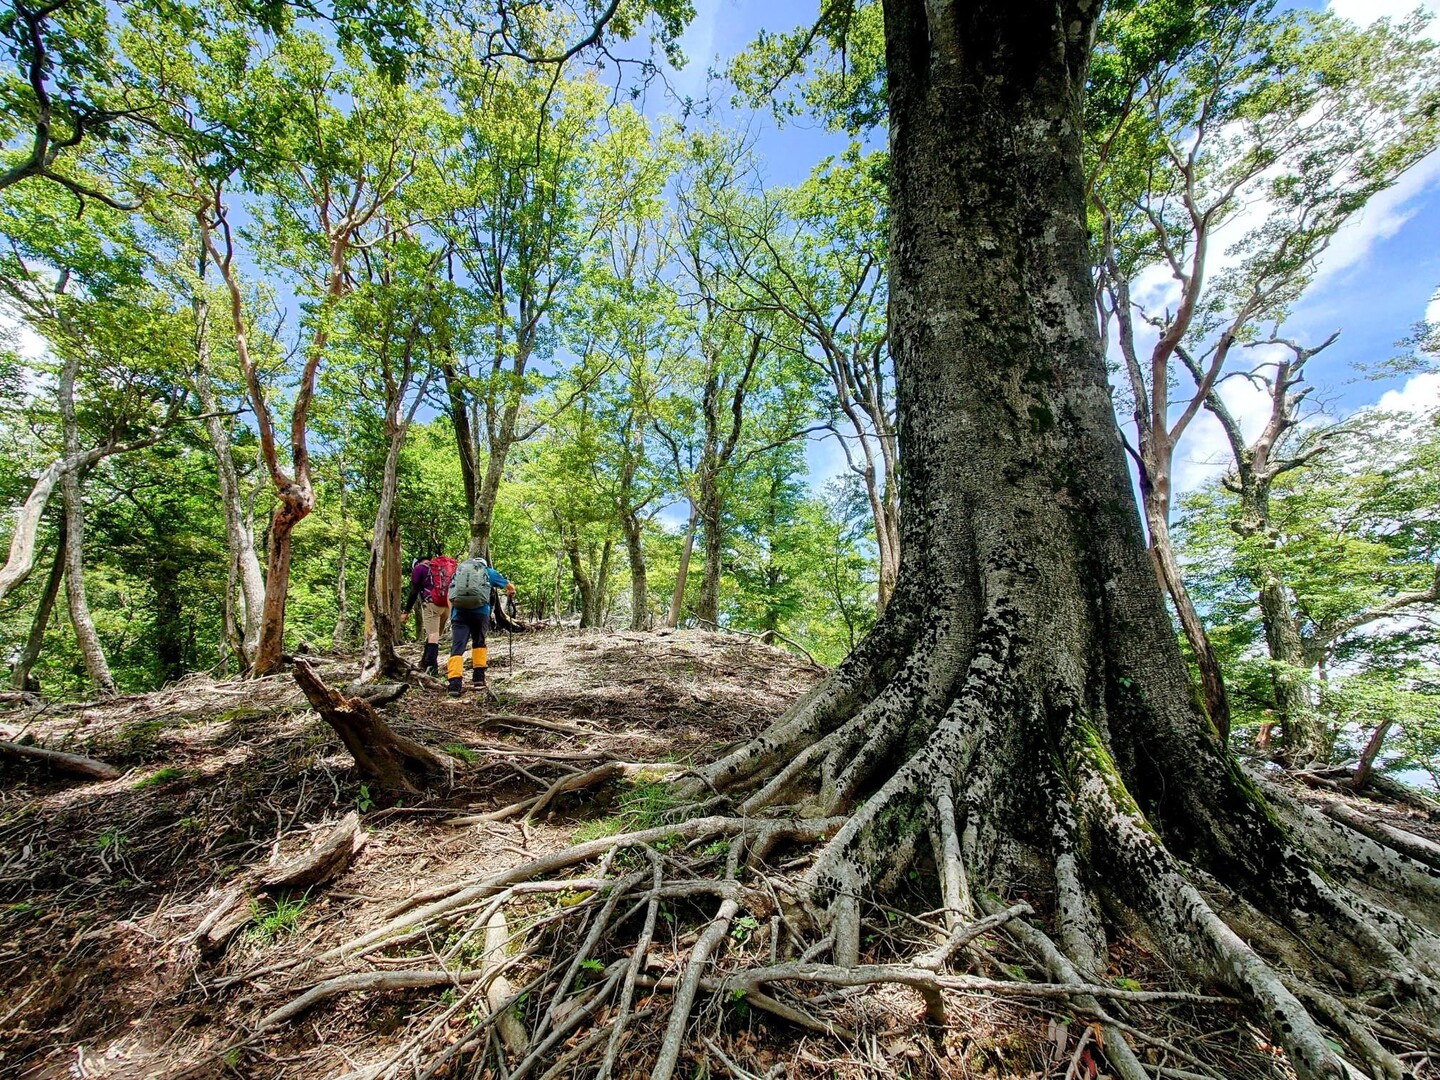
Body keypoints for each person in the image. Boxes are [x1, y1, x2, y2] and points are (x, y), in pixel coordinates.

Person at [445, 554, 511, 698]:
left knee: (457, 647)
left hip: (459, 613)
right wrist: (511, 592)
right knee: (479, 643)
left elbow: (450, 593)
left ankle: (454, 683)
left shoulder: (459, 571)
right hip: (480, 613)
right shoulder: (488, 571)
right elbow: (509, 586)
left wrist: (452, 614)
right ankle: (478, 679)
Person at [401, 549, 456, 676]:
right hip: (446, 606)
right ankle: (425, 662)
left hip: (432, 605)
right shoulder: (442, 568)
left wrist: (406, 611)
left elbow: (414, 591)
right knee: (435, 636)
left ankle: (432, 667)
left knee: (432, 635)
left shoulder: (420, 568)